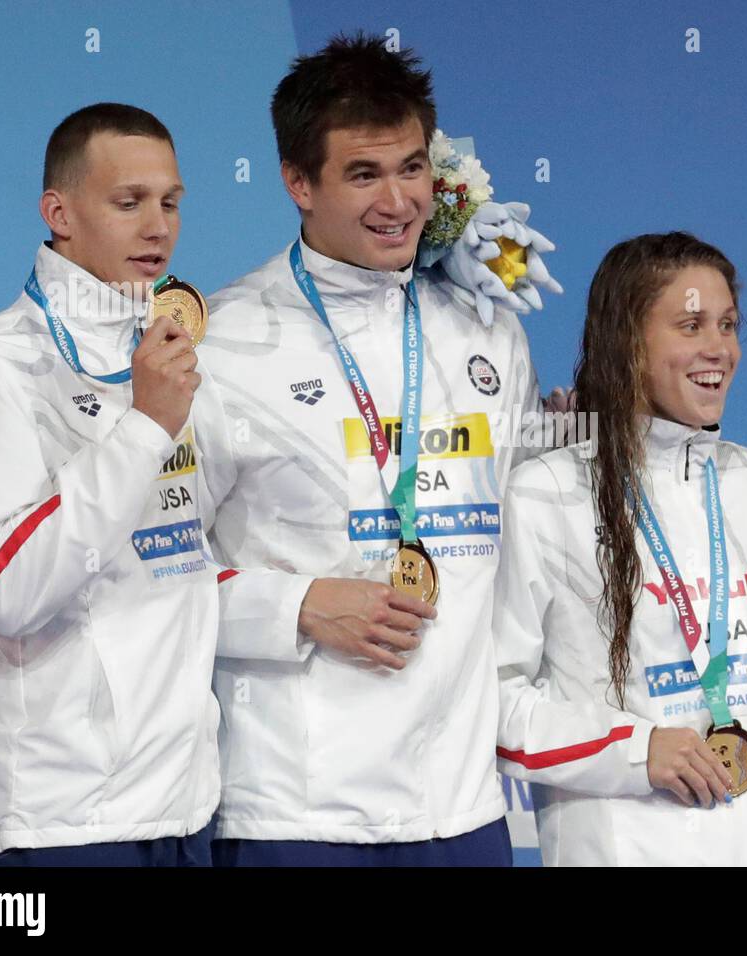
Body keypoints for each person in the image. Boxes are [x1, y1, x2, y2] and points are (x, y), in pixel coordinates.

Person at [194, 33, 556, 866]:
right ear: (297, 182)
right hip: (294, 810)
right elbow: (150, 570)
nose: (398, 201)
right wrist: (296, 606)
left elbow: (535, 546)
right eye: (363, 175)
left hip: (464, 808)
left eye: (413, 168)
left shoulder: (489, 333)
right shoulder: (225, 344)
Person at [0, 103, 218, 865]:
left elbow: (189, 565)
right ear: (59, 212)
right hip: (60, 824)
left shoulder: (168, 354)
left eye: (171, 202)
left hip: (185, 810)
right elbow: (7, 592)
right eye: (129, 202)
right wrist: (145, 428)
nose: (159, 227)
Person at [493, 232, 747, 865]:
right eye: (690, 324)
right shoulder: (549, 493)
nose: (718, 348)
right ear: (628, 343)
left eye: (727, 324)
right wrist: (636, 751)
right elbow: (489, 704)